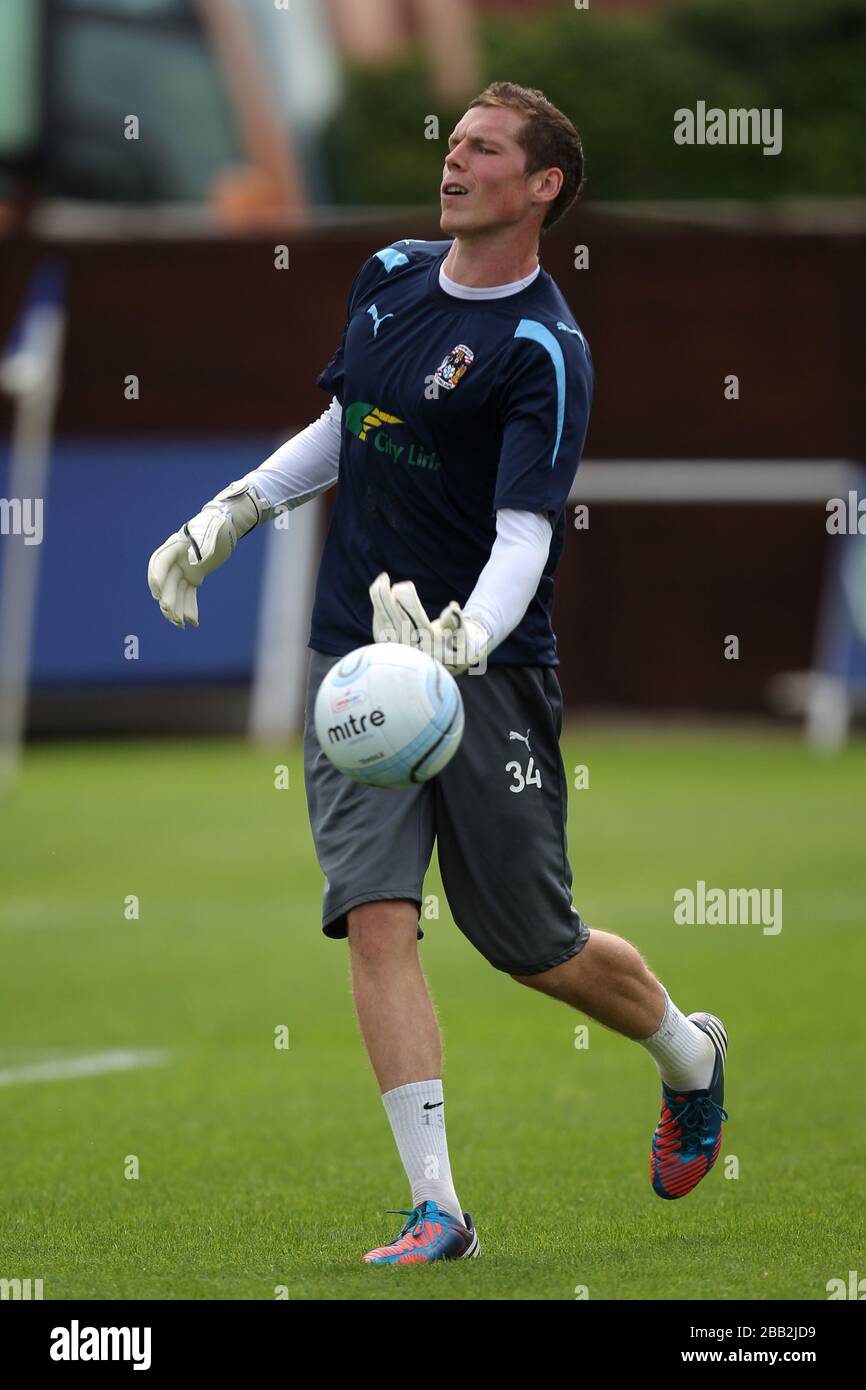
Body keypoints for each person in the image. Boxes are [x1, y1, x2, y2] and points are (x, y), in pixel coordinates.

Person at [147, 81, 729, 1266]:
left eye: (480, 149)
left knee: (534, 944)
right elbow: (344, 422)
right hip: (354, 660)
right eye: (452, 142)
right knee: (374, 914)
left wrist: (466, 635)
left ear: (542, 185)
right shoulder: (389, 274)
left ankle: (690, 1055)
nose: (451, 161)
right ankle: (438, 1208)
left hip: (487, 670)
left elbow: (526, 532)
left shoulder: (542, 349)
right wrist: (236, 510)